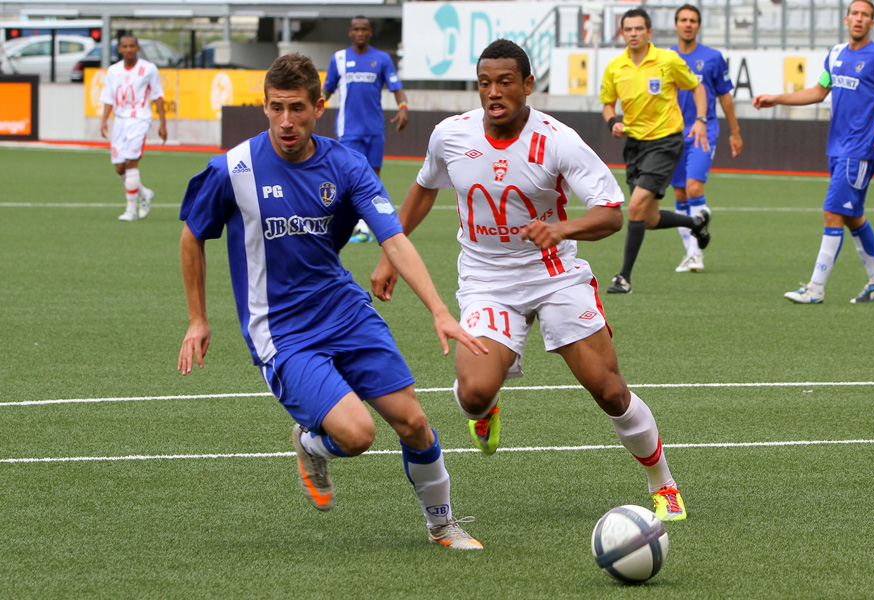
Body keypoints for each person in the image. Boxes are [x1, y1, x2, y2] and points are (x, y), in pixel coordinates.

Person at [177, 53, 487, 550]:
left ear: (319, 106)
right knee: (357, 435)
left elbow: (394, 238)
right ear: (264, 107)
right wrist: (198, 319)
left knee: (413, 421)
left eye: (297, 108)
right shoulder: (233, 169)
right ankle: (308, 442)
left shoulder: (345, 164)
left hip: (345, 311)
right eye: (276, 108)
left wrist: (439, 310)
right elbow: (193, 235)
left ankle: (442, 525)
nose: (286, 122)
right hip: (282, 332)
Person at [371, 39, 688, 522]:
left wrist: (561, 228)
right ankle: (489, 405)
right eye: (484, 83)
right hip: (486, 279)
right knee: (474, 395)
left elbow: (610, 214)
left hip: (555, 274)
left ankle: (662, 483)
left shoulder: (557, 139)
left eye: (504, 82)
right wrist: (391, 252)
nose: (493, 93)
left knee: (609, 391)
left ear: (527, 85)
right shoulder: (450, 136)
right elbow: (422, 190)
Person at [753, 0, 874, 304]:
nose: (859, 19)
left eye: (865, 15)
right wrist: (777, 98)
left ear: (872, 23)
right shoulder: (835, 54)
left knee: (833, 212)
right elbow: (819, 92)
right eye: (855, 13)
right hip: (837, 147)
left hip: (859, 149)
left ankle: (815, 288)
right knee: (852, 216)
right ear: (846, 18)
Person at [600, 7, 711, 294]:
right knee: (647, 218)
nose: (633, 34)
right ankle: (696, 223)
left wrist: (700, 120)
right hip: (634, 145)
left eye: (639, 29)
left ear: (649, 32)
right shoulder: (615, 67)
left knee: (634, 206)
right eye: (628, 29)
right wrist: (612, 121)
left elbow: (697, 88)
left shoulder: (668, 60)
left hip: (665, 142)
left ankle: (623, 277)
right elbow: (607, 103)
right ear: (622, 33)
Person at [670, 4, 743, 273]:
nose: (688, 24)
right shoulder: (666, 58)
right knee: (679, 193)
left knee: (694, 189)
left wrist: (735, 133)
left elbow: (725, 96)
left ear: (698, 26)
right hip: (674, 134)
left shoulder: (713, 57)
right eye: (683, 20)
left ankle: (695, 253)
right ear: (676, 25)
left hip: (704, 131)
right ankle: (692, 252)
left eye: (693, 20)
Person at [323, 15, 409, 243]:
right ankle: (355, 225)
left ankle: (369, 226)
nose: (360, 33)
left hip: (374, 130)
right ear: (351, 33)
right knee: (349, 178)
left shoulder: (381, 59)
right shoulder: (339, 59)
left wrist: (403, 107)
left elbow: (396, 87)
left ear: (370, 32)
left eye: (364, 29)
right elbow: (327, 89)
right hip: (349, 130)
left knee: (373, 179)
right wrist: (316, 104)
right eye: (356, 29)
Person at [100, 34, 166, 222]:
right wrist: (104, 120)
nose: (128, 49)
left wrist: (163, 123)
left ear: (137, 48)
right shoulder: (113, 71)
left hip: (139, 120)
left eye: (132, 46)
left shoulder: (149, 69)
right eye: (125, 46)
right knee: (120, 167)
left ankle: (131, 210)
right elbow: (108, 97)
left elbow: (158, 96)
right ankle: (144, 193)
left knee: (131, 162)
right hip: (119, 121)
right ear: (119, 49)